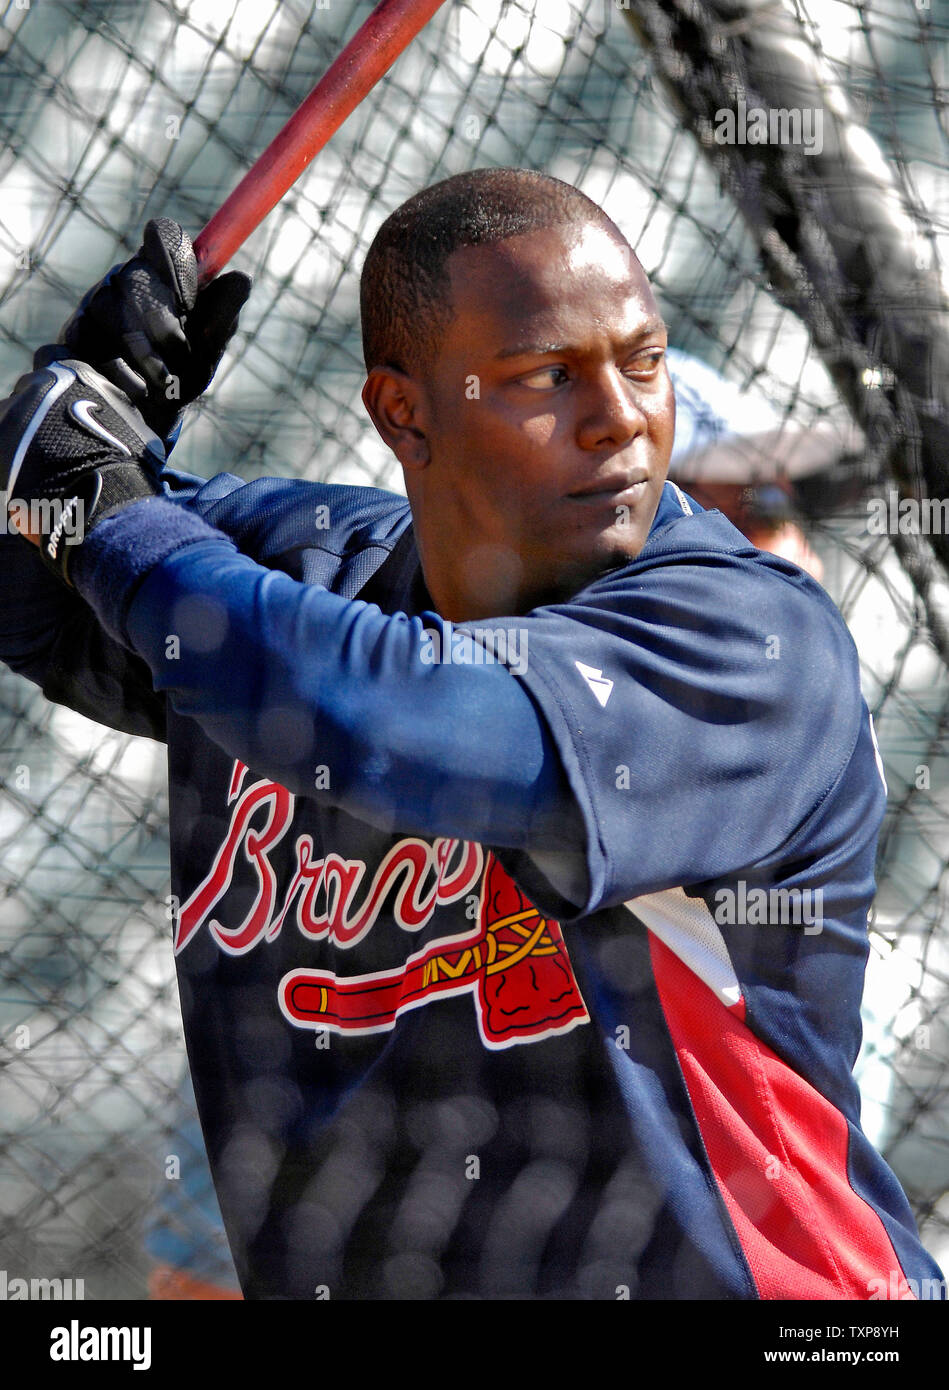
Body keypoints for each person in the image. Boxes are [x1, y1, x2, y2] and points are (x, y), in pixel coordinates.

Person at [0, 168, 942, 1301]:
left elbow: (395, 720)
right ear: (404, 412)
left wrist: (106, 512)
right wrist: (67, 418)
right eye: (549, 377)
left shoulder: (748, 642)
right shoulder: (308, 574)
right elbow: (50, 588)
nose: (621, 420)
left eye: (641, 362)